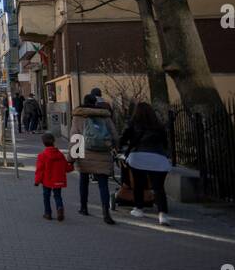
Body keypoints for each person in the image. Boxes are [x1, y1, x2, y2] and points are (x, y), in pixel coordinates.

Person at [118, 101, 172, 225]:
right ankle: (163, 214)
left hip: (139, 156)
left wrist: (121, 148)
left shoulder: (133, 124)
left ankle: (139, 209)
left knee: (138, 184)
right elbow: (165, 143)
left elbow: (123, 139)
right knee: (158, 187)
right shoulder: (159, 126)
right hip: (159, 158)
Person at [69, 93, 117, 224]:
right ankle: (106, 213)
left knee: (83, 182)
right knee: (103, 185)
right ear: (95, 103)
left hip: (84, 153)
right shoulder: (104, 115)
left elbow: (75, 139)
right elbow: (114, 135)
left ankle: (84, 207)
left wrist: (71, 158)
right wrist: (115, 148)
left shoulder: (78, 116)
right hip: (103, 153)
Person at [34, 132, 73, 221]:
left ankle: (48, 213)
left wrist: (37, 181)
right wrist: (71, 166)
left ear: (43, 143)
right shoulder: (60, 155)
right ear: (54, 142)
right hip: (58, 180)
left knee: (46, 196)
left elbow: (40, 170)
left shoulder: (42, 155)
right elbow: (66, 167)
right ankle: (59, 208)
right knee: (57, 196)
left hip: (47, 180)